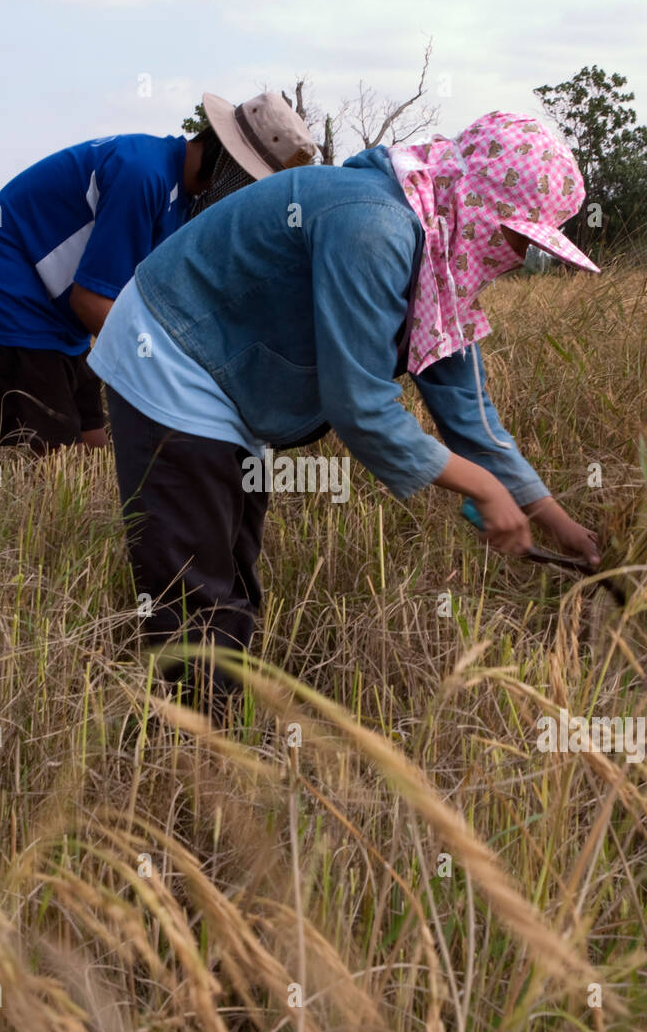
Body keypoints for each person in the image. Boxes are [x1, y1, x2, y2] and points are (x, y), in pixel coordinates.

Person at [88, 109, 602, 698]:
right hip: (170, 356)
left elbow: (470, 416)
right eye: (518, 236)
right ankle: (193, 763)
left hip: (232, 381)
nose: (517, 255)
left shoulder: (439, 258)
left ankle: (213, 730)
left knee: (232, 567)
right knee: (196, 590)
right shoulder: (375, 226)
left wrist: (559, 524)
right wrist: (485, 490)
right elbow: (361, 407)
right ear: (480, 206)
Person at [0, 92, 315, 451]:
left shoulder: (184, 200)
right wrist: (169, 376)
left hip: (60, 315)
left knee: (92, 447)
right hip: (10, 295)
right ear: (226, 163)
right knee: (45, 461)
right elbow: (92, 300)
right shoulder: (144, 177)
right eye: (249, 183)